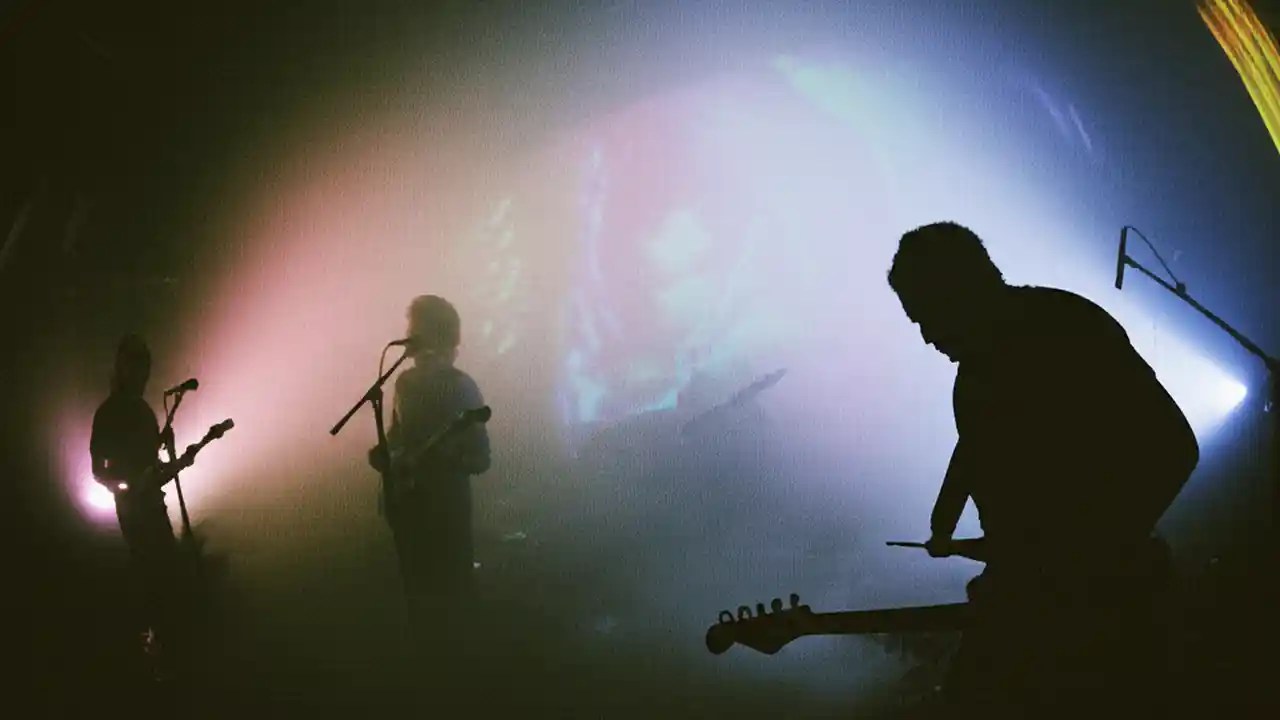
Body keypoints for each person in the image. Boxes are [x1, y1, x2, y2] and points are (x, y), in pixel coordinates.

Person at [886, 222, 1199, 716]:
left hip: (1113, 618)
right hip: (1037, 616)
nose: (926, 337)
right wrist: (945, 519)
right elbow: (979, 443)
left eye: (927, 316)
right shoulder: (973, 378)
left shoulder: (1067, 329)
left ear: (962, 290)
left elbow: (1174, 448)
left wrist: (1087, 561)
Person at [368, 295, 491, 673]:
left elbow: (481, 459)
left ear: (436, 335)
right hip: (409, 506)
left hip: (447, 511)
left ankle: (462, 679)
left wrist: (445, 459)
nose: (408, 338)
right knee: (417, 596)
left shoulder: (462, 387)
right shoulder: (402, 383)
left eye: (415, 331)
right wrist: (385, 456)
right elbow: (396, 436)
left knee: (452, 599)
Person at [90, 334, 188, 673]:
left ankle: (164, 649)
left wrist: (176, 463)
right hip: (134, 510)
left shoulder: (145, 412)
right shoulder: (109, 413)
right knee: (150, 576)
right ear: (123, 368)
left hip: (151, 505)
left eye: (146, 369)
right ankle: (148, 653)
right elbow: (98, 470)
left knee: (164, 574)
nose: (144, 377)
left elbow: (152, 466)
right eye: (138, 368)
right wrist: (126, 487)